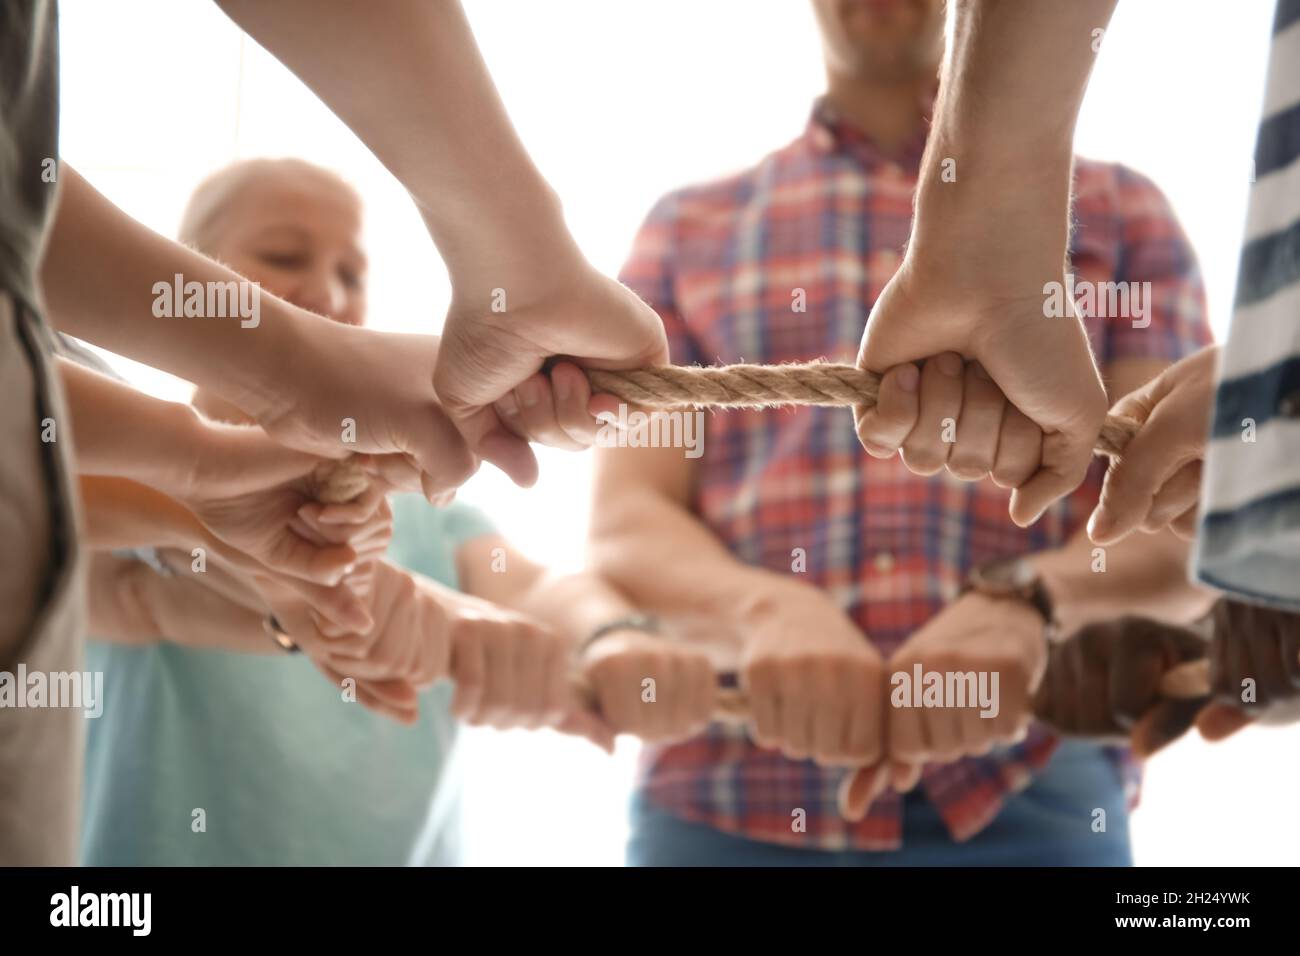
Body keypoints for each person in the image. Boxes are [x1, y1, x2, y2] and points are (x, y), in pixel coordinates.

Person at [3, 0, 665, 864]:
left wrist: (608, 638)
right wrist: (402, 617)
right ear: (188, 272)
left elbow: (538, 588)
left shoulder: (425, 504)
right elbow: (134, 592)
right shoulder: (117, 475)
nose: (325, 286)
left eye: (352, 270)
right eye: (282, 257)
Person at [575, 0, 1212, 865]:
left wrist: (1032, 605)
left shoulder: (1123, 210)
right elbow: (628, 521)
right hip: (719, 797)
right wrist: (764, 612)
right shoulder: (687, 227)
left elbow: (1182, 503)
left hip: (1036, 789)